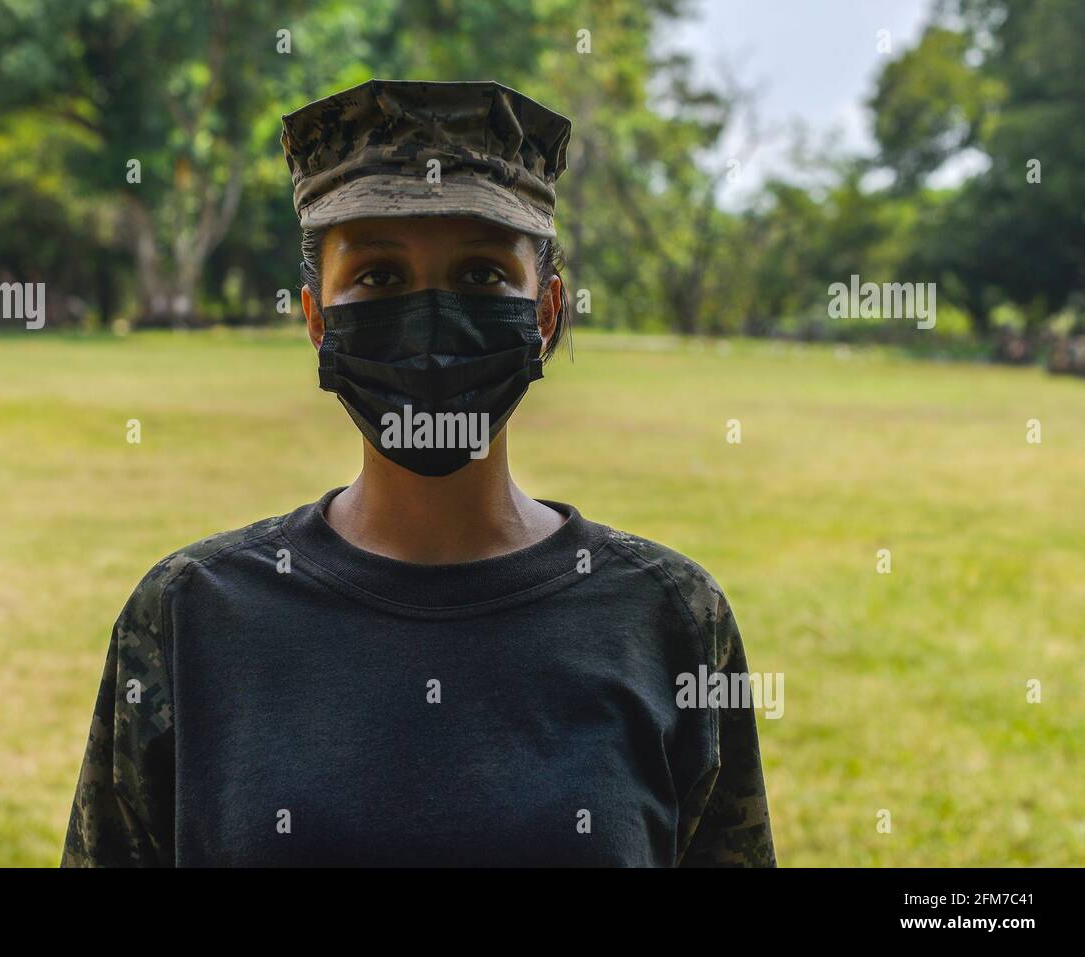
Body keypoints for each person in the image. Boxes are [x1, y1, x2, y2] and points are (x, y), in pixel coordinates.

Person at [62, 79, 776, 867]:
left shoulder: (671, 620)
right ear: (314, 317)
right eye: (378, 277)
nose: (431, 323)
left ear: (546, 314)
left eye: (479, 276)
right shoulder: (188, 617)